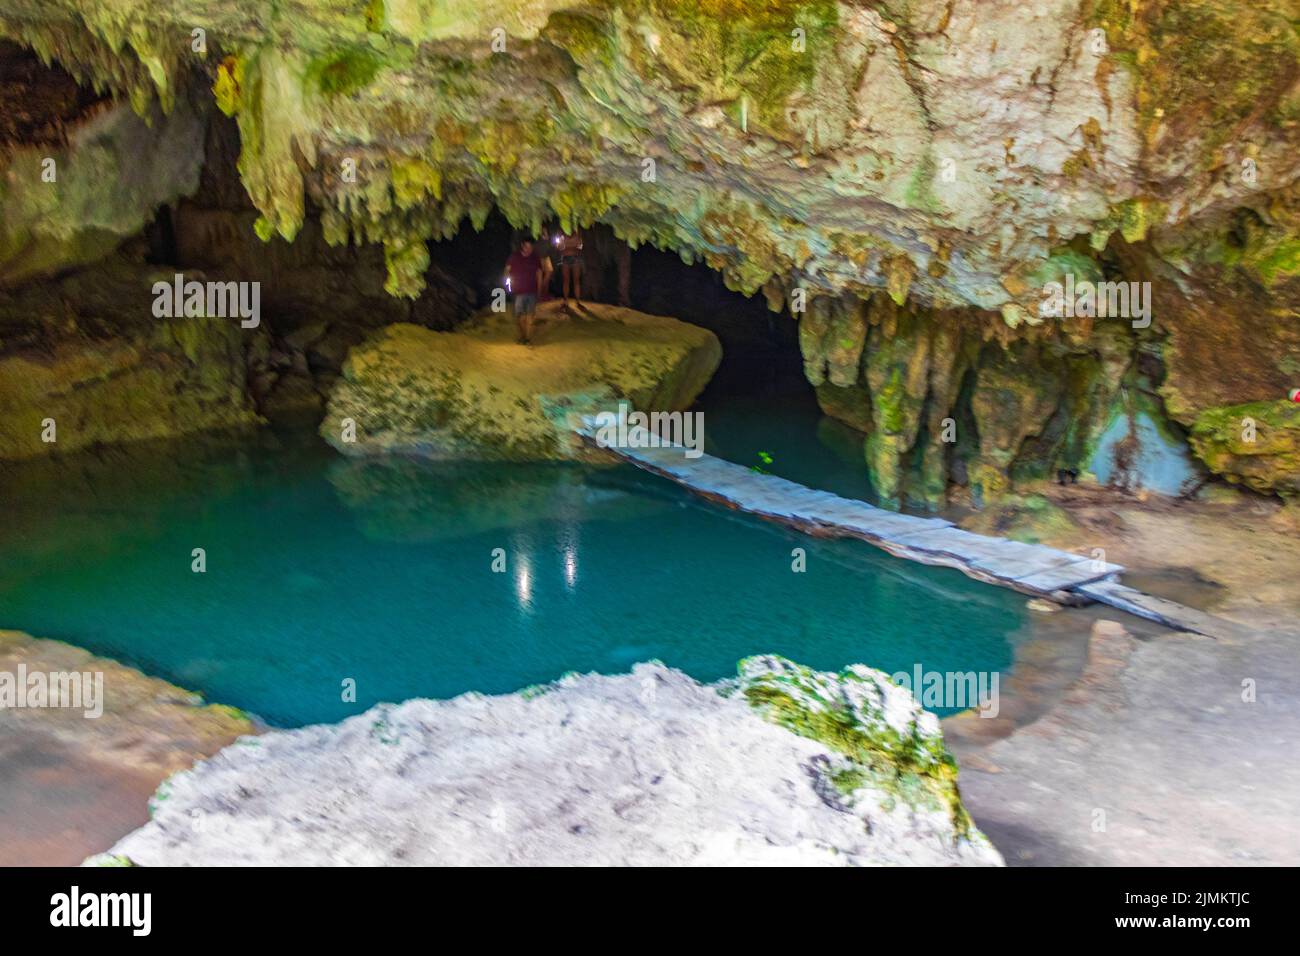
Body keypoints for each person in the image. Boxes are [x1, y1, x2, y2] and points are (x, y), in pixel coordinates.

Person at [504, 238, 544, 345]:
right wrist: (508, 284)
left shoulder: (535, 258)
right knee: (520, 316)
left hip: (532, 290)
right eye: (526, 247)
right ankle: (523, 335)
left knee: (530, 316)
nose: (528, 250)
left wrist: (540, 289)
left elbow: (539, 274)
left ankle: (527, 338)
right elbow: (507, 270)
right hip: (518, 291)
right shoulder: (514, 256)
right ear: (522, 245)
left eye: (530, 247)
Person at [557, 227, 584, 310]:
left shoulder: (577, 232)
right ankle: (565, 301)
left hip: (575, 258)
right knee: (566, 280)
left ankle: (578, 301)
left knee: (576, 280)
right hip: (566, 258)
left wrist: (567, 248)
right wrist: (571, 248)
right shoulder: (562, 232)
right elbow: (559, 247)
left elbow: (580, 247)